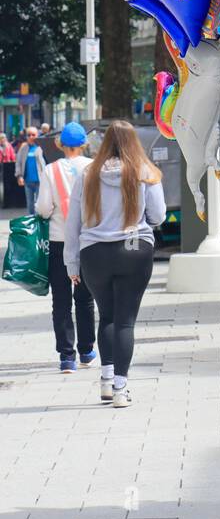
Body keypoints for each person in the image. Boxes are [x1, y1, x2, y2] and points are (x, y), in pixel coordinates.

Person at [64, 121, 166, 409]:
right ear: (135, 142)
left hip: (94, 252)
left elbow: (73, 222)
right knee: (125, 320)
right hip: (134, 247)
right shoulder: (145, 172)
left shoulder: (87, 174)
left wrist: (71, 263)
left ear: (105, 143)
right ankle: (121, 387)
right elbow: (157, 215)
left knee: (106, 315)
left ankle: (106, 381)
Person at [36, 122, 95, 374]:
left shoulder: (51, 170)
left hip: (59, 240)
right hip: (88, 240)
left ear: (60, 145)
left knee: (60, 299)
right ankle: (86, 350)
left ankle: (66, 356)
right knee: (85, 298)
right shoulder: (94, 168)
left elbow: (43, 208)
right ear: (84, 144)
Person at [15, 126, 45, 214]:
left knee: (39, 204)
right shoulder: (23, 149)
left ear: (37, 135)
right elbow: (18, 163)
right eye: (29, 135)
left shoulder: (41, 148)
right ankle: (32, 222)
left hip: (40, 181)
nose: (31, 137)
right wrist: (19, 176)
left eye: (33, 135)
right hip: (28, 181)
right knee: (30, 204)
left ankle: (39, 221)